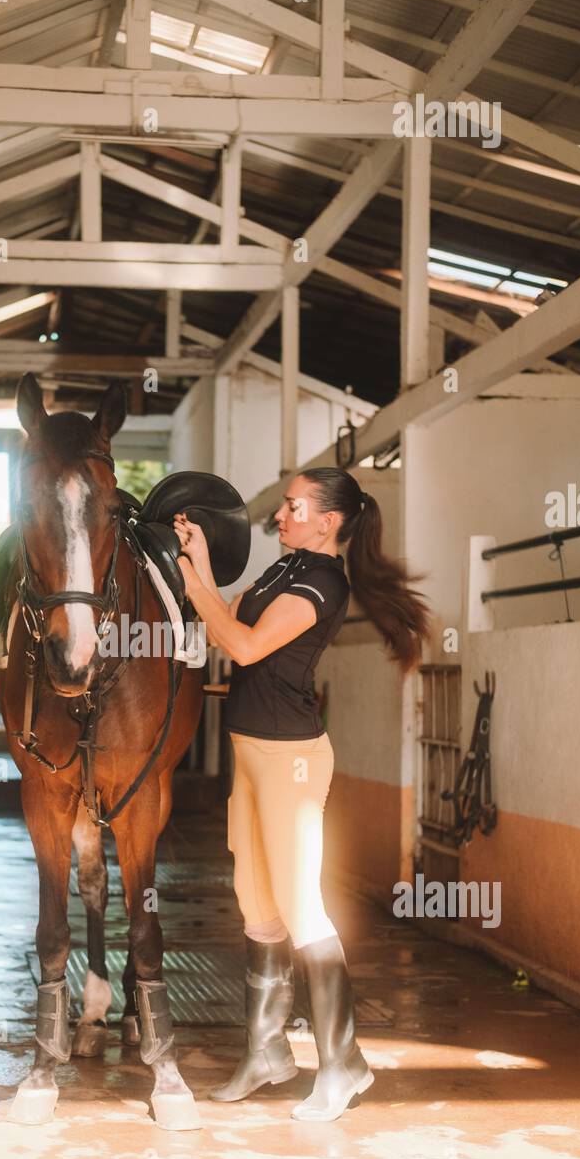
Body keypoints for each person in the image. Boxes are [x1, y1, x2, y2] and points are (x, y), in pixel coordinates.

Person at [173, 468, 430, 1122]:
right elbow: (227, 620)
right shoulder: (282, 570)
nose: (280, 514)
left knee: (301, 905)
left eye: (292, 505)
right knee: (255, 903)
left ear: (328, 520)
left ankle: (344, 1064)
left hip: (291, 759)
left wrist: (198, 586)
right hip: (248, 752)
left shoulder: (323, 582)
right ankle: (266, 1052)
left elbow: (244, 644)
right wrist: (200, 566)